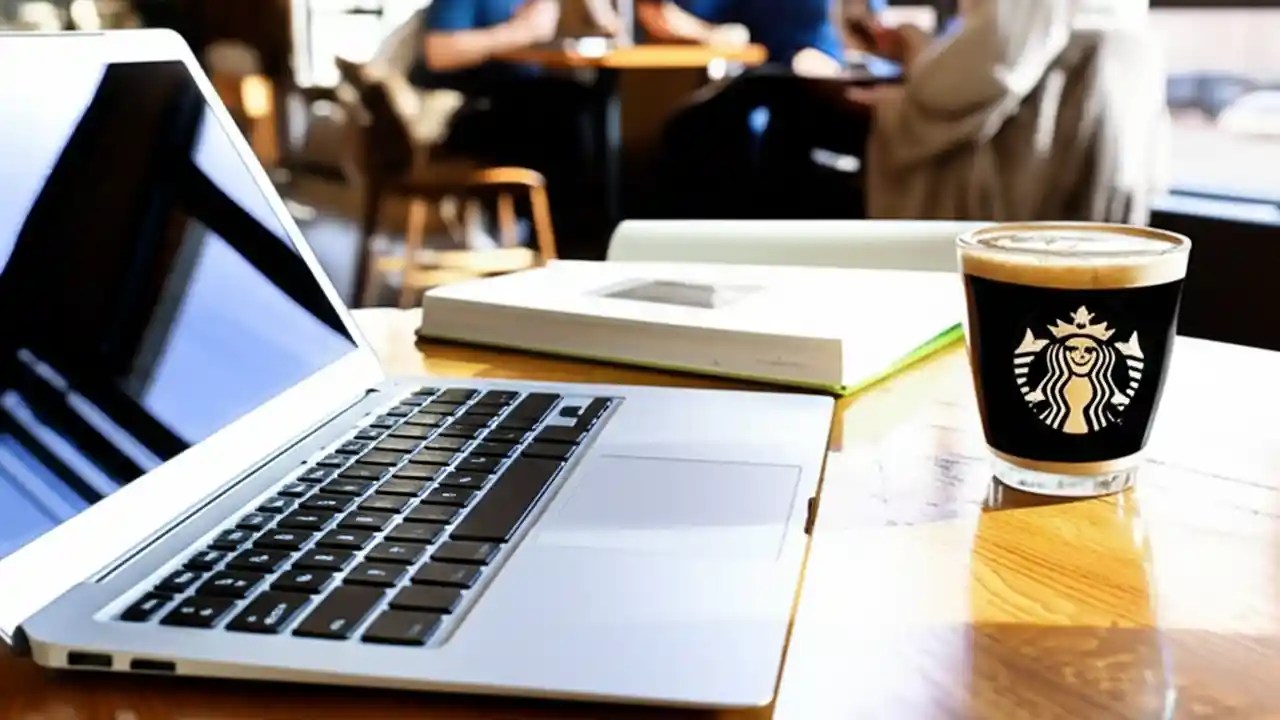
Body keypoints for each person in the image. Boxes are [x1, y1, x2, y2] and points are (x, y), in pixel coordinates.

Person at [406, 0, 608, 259]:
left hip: (522, 108)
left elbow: (608, 30)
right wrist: (521, 32)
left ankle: (570, 249)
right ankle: (563, 254)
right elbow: (438, 52)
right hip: (466, 114)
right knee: (567, 119)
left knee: (576, 106)